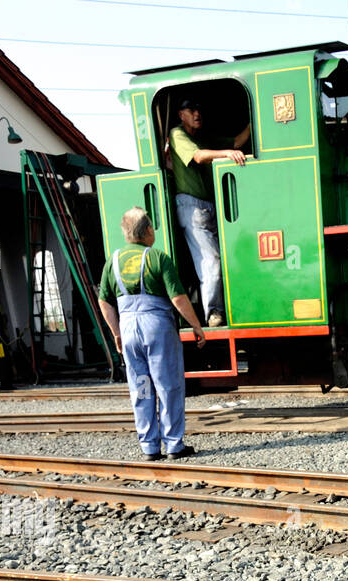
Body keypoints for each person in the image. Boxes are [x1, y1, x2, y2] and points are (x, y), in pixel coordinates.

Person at [98, 207, 205, 459]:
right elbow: (178, 298)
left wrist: (116, 333)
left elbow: (105, 301)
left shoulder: (112, 261)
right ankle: (174, 445)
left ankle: (149, 447)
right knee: (168, 385)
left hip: (128, 328)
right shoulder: (158, 257)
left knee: (141, 387)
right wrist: (196, 326)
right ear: (147, 230)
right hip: (157, 327)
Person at [169, 94, 250, 327]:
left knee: (226, 258)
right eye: (190, 109)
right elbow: (198, 156)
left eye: (198, 109)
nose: (196, 114)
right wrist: (226, 154)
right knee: (210, 260)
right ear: (180, 115)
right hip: (191, 206)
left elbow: (235, 142)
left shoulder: (203, 137)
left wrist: (253, 123)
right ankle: (213, 313)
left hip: (211, 206)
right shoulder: (178, 134)